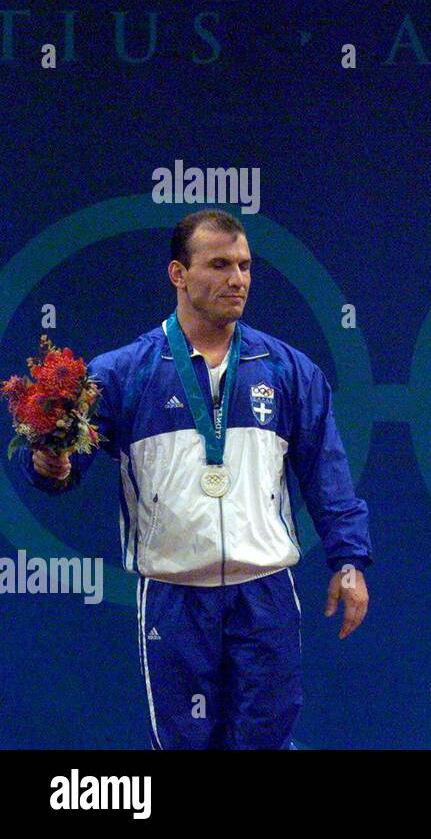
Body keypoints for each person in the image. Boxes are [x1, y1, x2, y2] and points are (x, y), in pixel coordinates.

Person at [21, 209, 373, 749]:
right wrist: (52, 462)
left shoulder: (286, 370)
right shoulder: (122, 373)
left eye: (245, 266)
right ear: (177, 275)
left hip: (265, 594)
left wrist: (348, 560)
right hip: (175, 597)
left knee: (266, 744)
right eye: (220, 265)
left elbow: (327, 473)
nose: (238, 280)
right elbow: (68, 465)